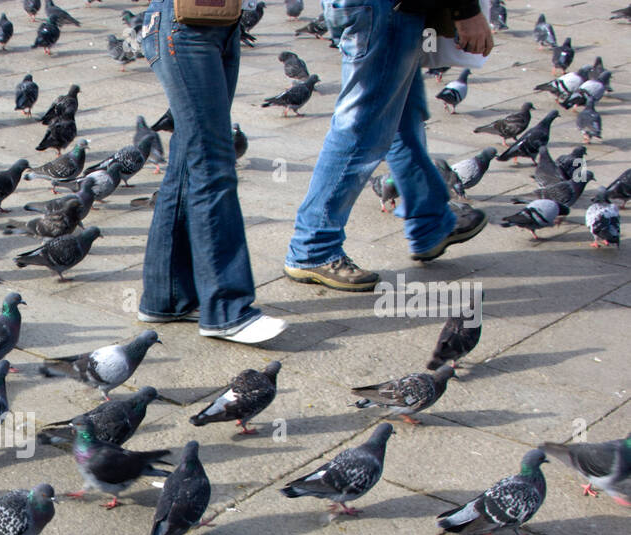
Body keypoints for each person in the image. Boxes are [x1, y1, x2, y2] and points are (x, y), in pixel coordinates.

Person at [283, 0, 494, 292]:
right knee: (361, 127)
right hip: (386, 10)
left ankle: (430, 221)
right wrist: (466, 11)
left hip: (377, 9)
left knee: (401, 113)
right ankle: (313, 247)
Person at [137, 0, 286, 343]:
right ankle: (226, 310)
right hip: (184, 24)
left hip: (222, 21)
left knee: (188, 162)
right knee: (214, 163)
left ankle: (167, 298)